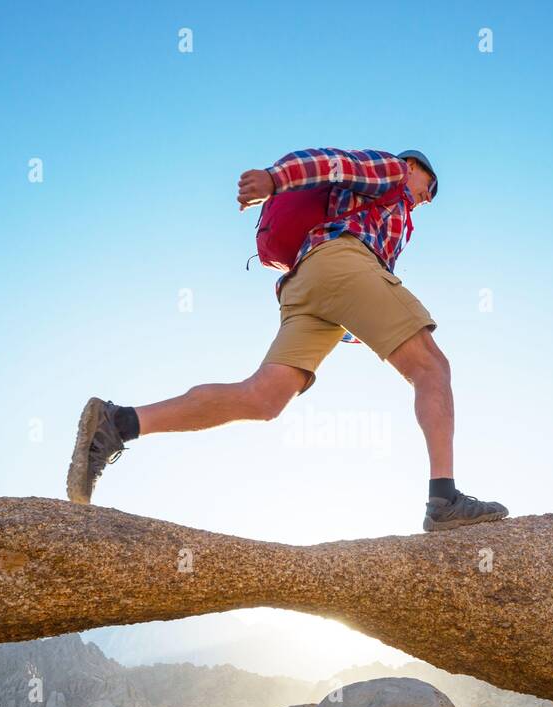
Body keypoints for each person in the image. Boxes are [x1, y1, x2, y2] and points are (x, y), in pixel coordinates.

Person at [67, 147, 508, 531]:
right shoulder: (392, 170)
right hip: (340, 262)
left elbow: (359, 292)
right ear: (415, 167)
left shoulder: (395, 220)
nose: (427, 198)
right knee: (432, 368)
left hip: (305, 286)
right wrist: (275, 181)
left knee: (262, 398)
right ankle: (444, 499)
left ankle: (118, 423)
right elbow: (334, 164)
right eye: (431, 186)